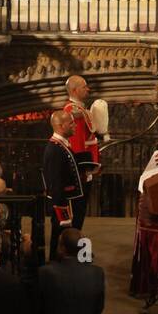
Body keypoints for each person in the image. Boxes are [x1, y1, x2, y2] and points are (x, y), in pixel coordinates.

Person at [42, 109, 83, 259]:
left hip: (67, 202)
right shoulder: (54, 149)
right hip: (62, 204)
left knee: (63, 238)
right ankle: (56, 266)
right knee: (58, 238)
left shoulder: (61, 145)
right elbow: (55, 183)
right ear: (60, 126)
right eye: (71, 123)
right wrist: (62, 212)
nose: (75, 126)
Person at [63, 75, 101, 228]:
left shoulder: (79, 109)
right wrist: (83, 169)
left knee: (81, 211)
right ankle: (73, 241)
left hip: (86, 167)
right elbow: (77, 144)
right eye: (84, 87)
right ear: (74, 90)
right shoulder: (72, 111)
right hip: (81, 170)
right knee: (77, 212)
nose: (88, 89)